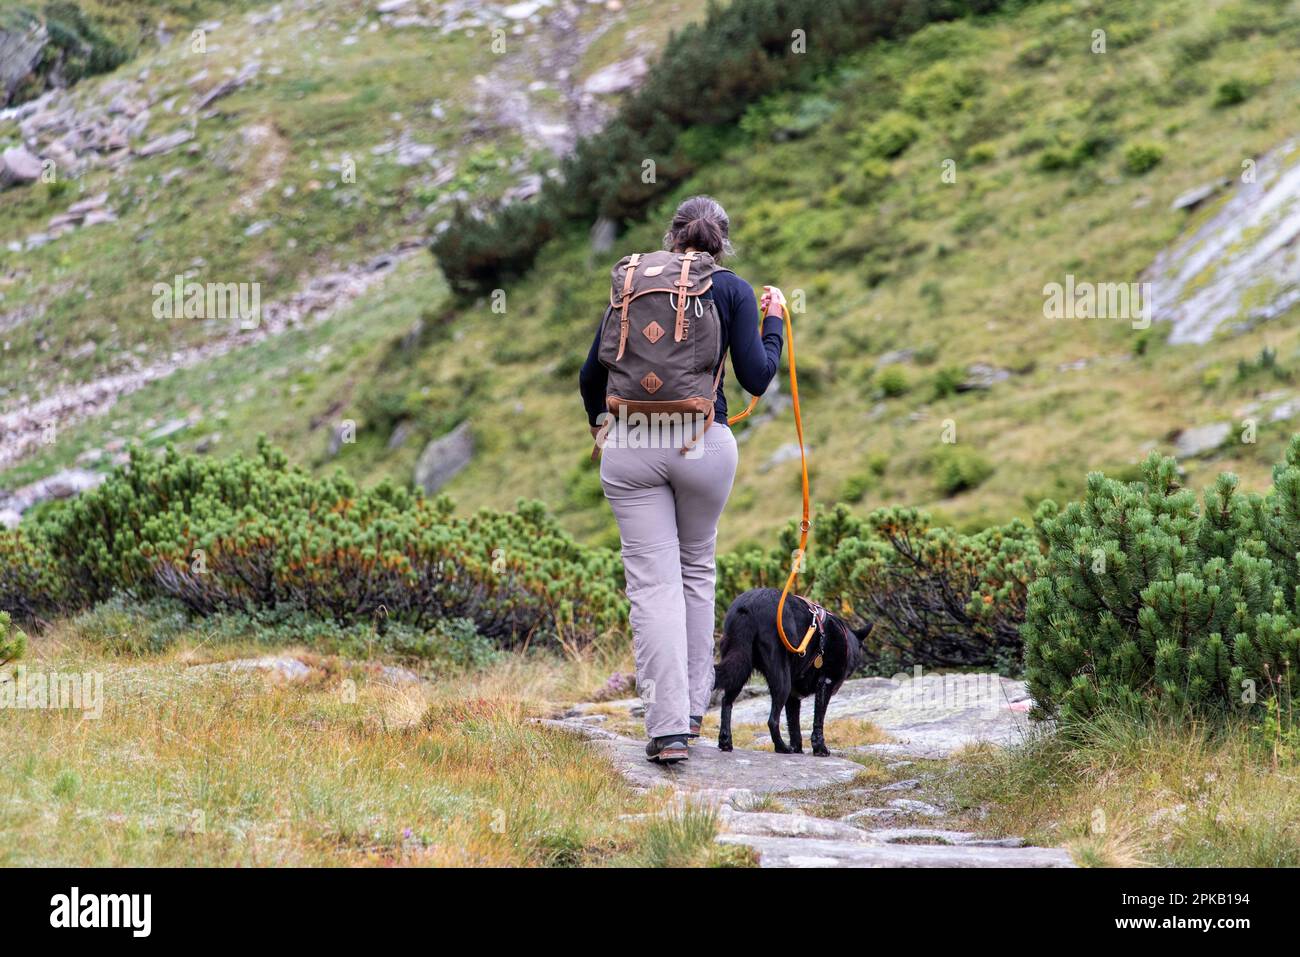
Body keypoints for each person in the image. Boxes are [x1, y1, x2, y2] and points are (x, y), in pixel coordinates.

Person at [578, 195, 786, 763]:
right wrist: (773, 322)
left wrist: (606, 427)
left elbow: (589, 374)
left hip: (632, 446)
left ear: (672, 238)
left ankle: (667, 729)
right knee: (696, 570)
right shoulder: (733, 289)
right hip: (703, 445)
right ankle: (695, 710)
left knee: (653, 587)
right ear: (723, 239)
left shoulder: (633, 284)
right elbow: (757, 377)